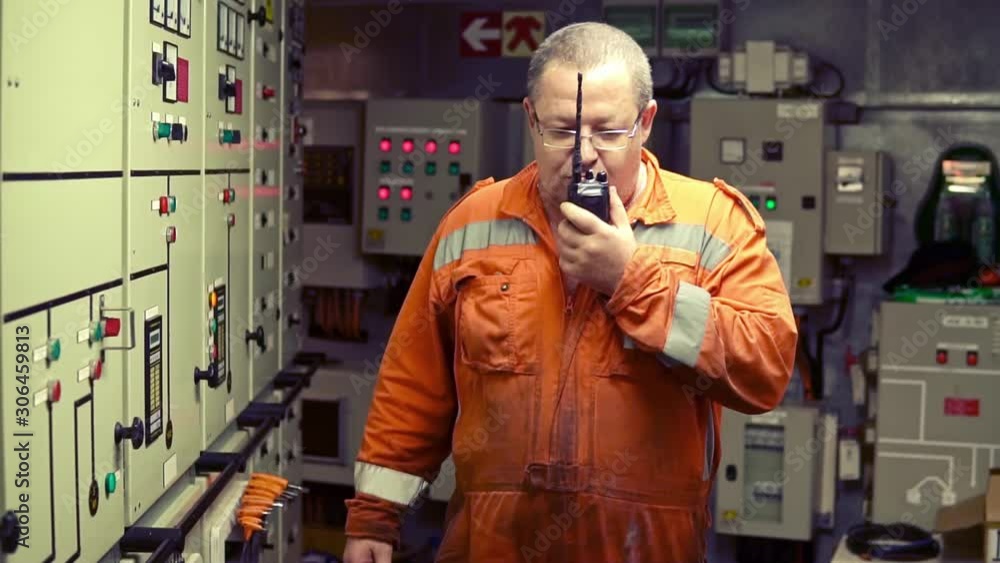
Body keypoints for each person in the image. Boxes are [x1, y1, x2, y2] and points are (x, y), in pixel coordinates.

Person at [343, 21, 797, 563]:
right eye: (560, 130)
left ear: (646, 122)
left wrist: (631, 280)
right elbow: (413, 383)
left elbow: (765, 366)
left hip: (644, 548)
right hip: (494, 547)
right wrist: (374, 517)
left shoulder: (714, 225)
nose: (583, 156)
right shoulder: (472, 224)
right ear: (530, 119)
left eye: (608, 133)